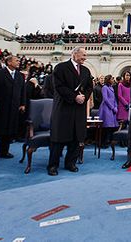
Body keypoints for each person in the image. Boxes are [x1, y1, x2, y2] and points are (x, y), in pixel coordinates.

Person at [47, 47, 93, 176]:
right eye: (83, 55)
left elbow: (89, 86)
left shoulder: (85, 70)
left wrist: (84, 97)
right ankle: (53, 165)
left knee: (76, 137)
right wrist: (74, 97)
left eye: (86, 55)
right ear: (74, 54)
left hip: (79, 109)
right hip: (63, 108)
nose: (85, 57)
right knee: (59, 138)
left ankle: (70, 163)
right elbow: (59, 87)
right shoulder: (61, 68)